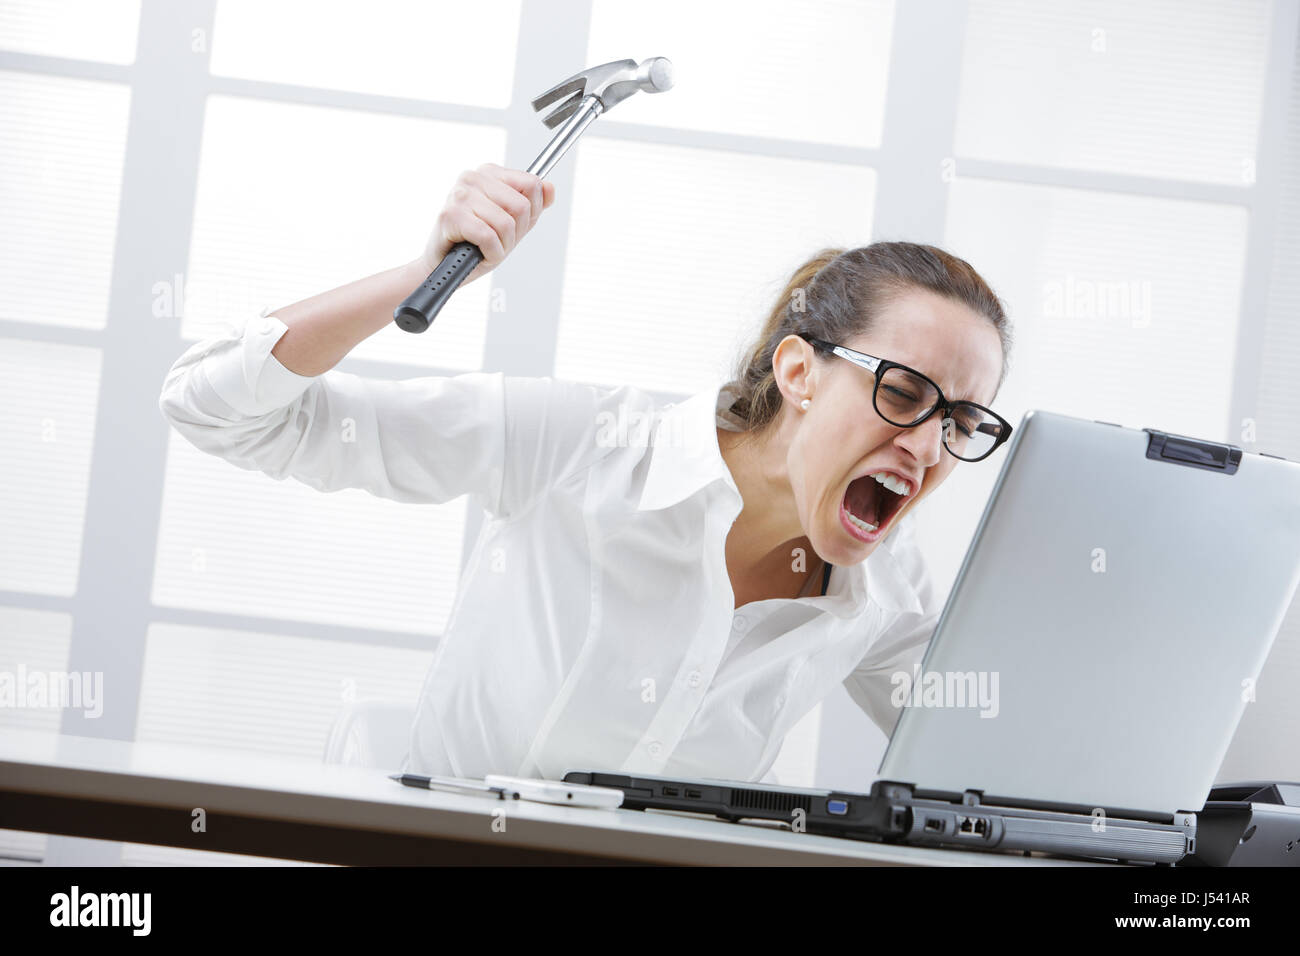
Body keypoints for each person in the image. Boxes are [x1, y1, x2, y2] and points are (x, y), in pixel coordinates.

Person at [157, 163, 1014, 783]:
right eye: (905, 394)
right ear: (797, 373)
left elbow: (1008, 775)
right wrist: (420, 278)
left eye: (963, 423)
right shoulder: (581, 445)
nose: (930, 448)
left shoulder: (889, 598)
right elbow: (214, 406)